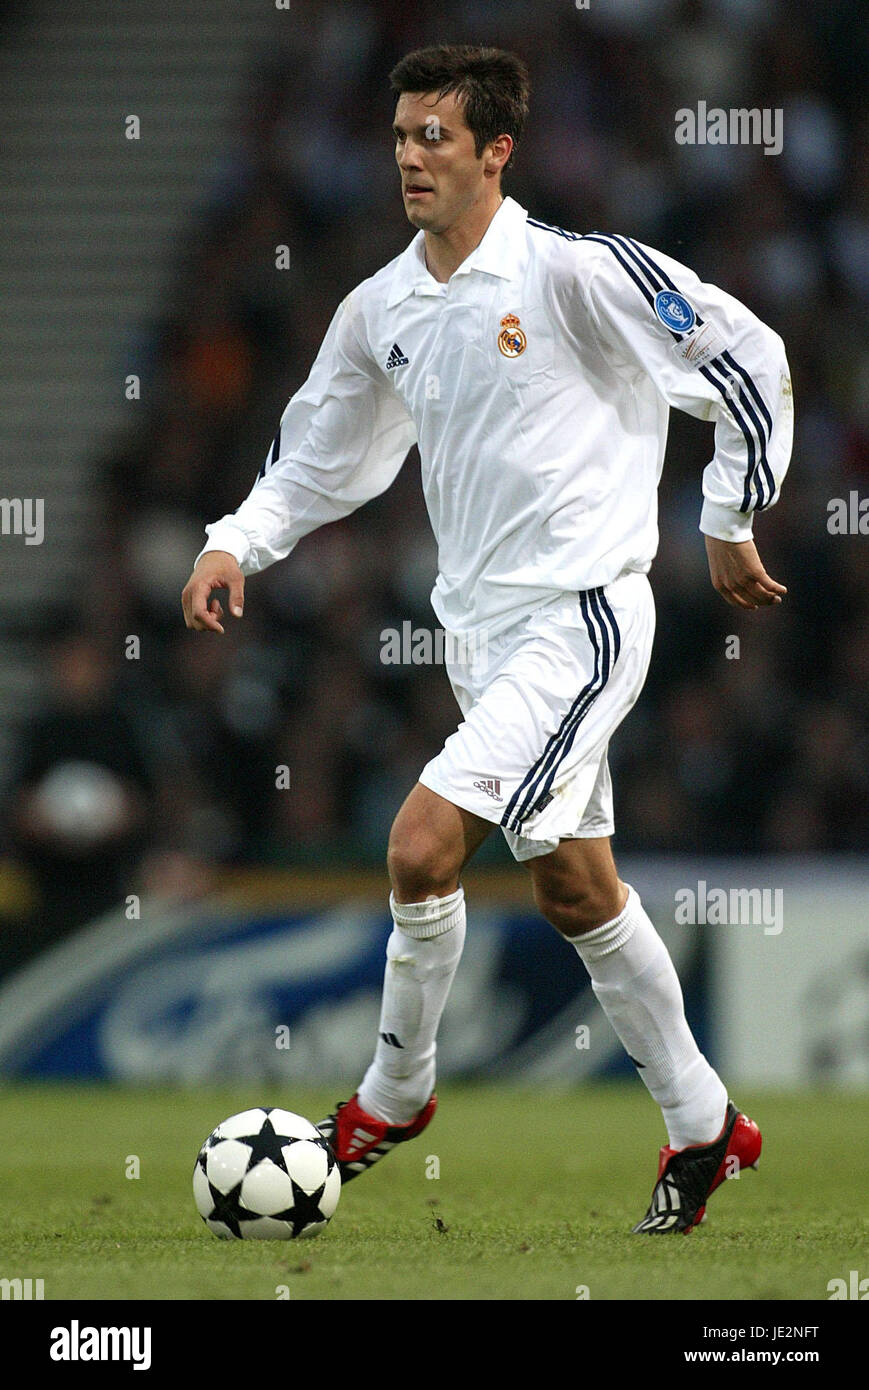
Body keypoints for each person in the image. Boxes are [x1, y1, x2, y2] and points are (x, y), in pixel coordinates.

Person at [182, 45, 792, 1233]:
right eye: (400, 135)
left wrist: (726, 514)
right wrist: (231, 542)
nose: (410, 156)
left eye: (435, 138)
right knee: (572, 884)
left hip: (586, 617)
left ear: (495, 151)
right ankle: (707, 1123)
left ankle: (392, 1095)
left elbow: (745, 353)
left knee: (419, 843)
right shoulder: (383, 307)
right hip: (480, 635)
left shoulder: (575, 274)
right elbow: (314, 453)